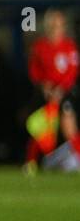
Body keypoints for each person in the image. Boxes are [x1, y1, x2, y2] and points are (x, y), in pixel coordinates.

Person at [26, 9, 79, 172]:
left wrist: (60, 90)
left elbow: (72, 72)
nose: (56, 28)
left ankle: (76, 157)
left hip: (64, 93)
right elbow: (34, 71)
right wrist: (44, 86)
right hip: (45, 94)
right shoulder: (40, 46)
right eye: (53, 25)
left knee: (69, 128)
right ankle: (31, 162)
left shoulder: (69, 46)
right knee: (39, 128)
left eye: (59, 25)